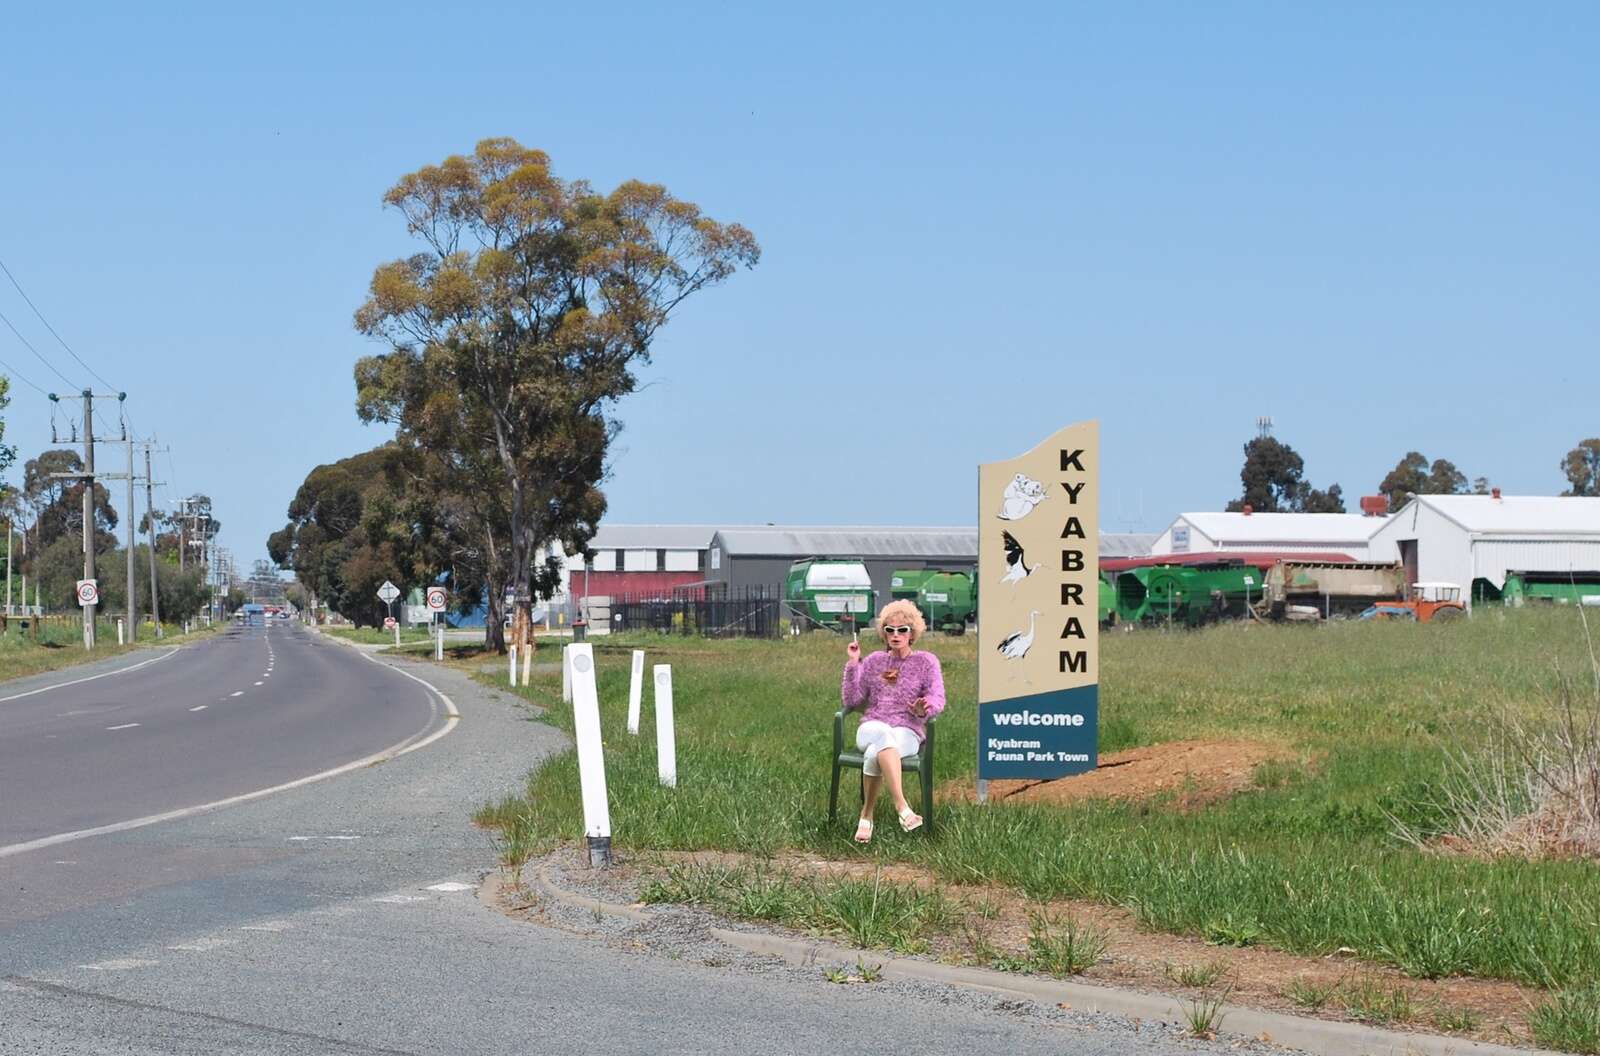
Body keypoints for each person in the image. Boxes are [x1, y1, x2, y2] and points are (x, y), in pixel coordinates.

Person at [840, 599, 946, 843]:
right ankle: (903, 808)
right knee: (882, 736)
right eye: (890, 630)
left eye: (902, 630)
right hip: (873, 724)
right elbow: (852, 700)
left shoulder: (926, 662)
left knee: (874, 754)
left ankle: (866, 816)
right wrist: (853, 665)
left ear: (912, 633)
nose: (896, 635)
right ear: (883, 633)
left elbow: (937, 697)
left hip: (907, 729)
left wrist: (924, 707)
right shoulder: (875, 661)